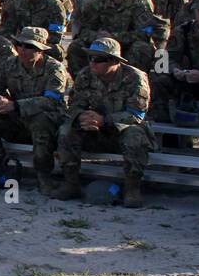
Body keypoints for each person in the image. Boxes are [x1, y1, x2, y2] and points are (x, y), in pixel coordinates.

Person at [54, 37, 155, 208]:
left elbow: (136, 115)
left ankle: (132, 188)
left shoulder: (135, 78)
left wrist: (104, 120)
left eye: (99, 59)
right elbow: (74, 105)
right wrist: (82, 117)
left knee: (134, 135)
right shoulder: (85, 75)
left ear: (114, 61)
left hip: (120, 131)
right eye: (90, 58)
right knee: (66, 130)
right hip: (94, 131)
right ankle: (71, 183)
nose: (93, 63)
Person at [0, 27, 70, 194]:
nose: (23, 50)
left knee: (42, 121)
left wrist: (15, 105)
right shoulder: (10, 64)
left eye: (30, 47)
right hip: (17, 119)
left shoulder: (55, 69)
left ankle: (43, 176)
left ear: (41, 50)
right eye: (20, 45)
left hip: (47, 122)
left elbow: (52, 101)